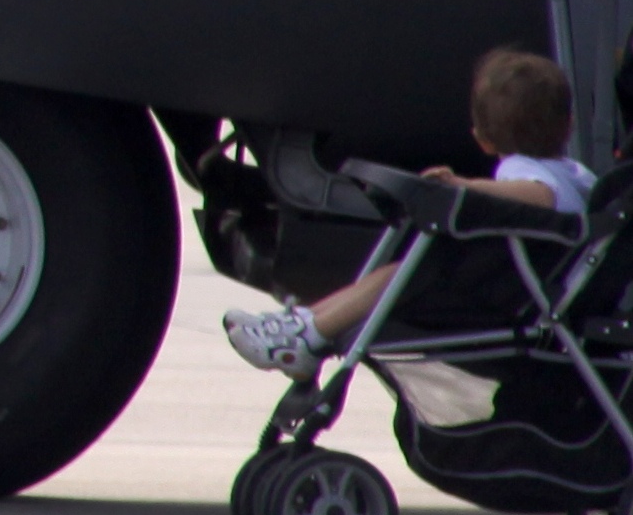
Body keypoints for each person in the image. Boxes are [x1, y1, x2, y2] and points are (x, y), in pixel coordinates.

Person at [224, 48, 600, 376]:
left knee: (396, 275)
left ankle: (307, 334)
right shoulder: (577, 174)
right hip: (540, 285)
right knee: (390, 274)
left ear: (481, 139)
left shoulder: (523, 171)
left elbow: (540, 197)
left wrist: (467, 188)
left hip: (515, 293)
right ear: (567, 125)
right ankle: (302, 326)